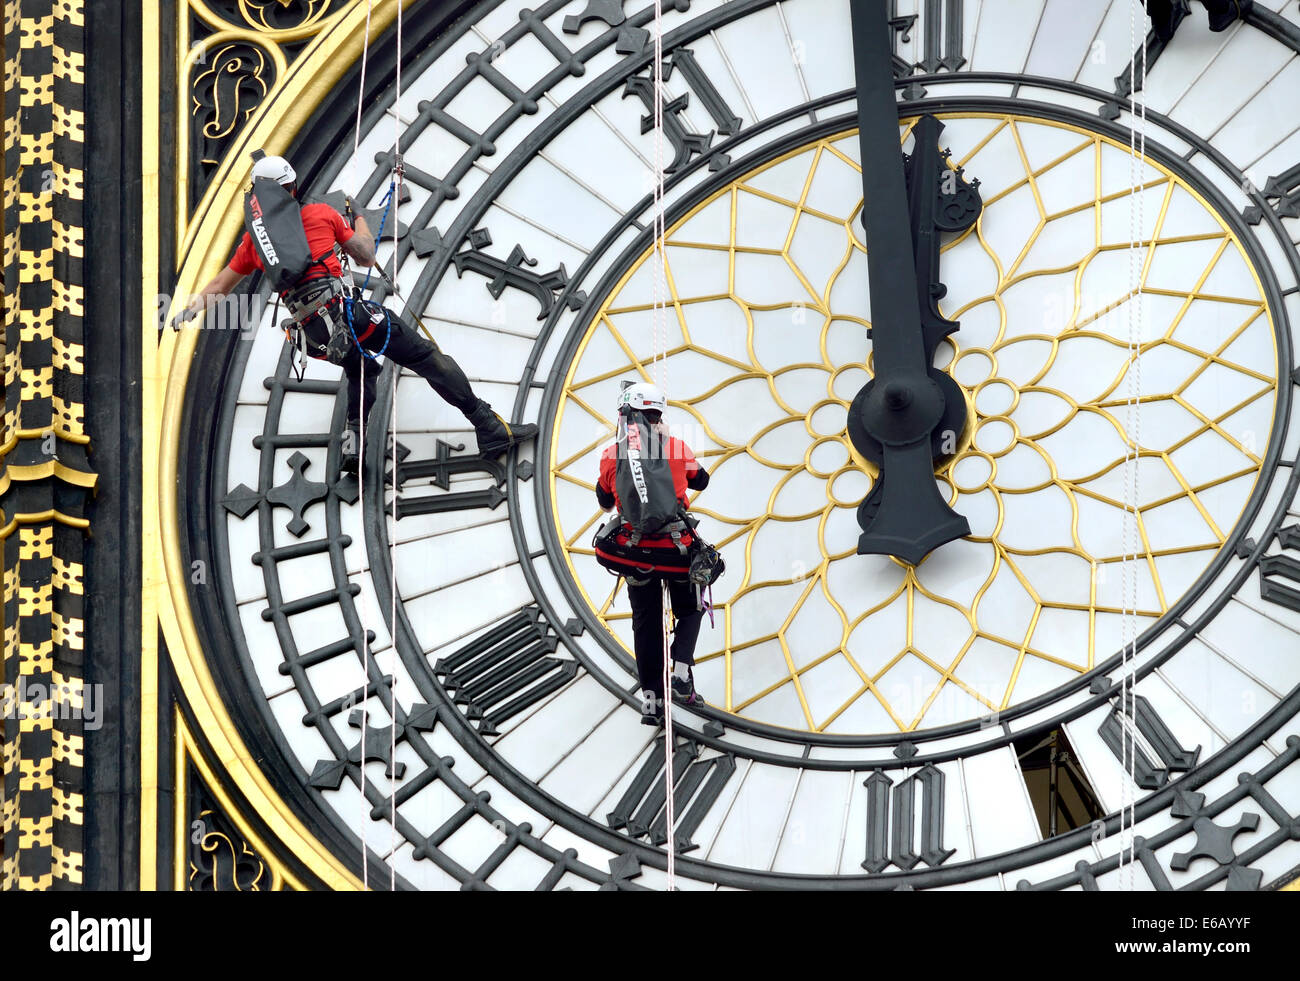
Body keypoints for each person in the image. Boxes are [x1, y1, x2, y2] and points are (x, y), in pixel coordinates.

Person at [171, 154, 536, 472]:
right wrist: (358, 215)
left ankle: (353, 442)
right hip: (349, 318)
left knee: (361, 366)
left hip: (314, 338)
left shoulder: (254, 244)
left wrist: (188, 310)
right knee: (425, 357)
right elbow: (365, 254)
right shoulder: (319, 214)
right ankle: (489, 427)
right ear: (292, 188)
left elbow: (219, 286)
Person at [596, 382, 710, 726]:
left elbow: (604, 501)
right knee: (690, 607)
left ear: (624, 415)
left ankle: (651, 700)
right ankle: (681, 669)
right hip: (677, 551)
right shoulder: (675, 448)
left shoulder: (610, 454)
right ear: (658, 414)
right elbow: (701, 481)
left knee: (645, 624)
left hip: (636, 553)